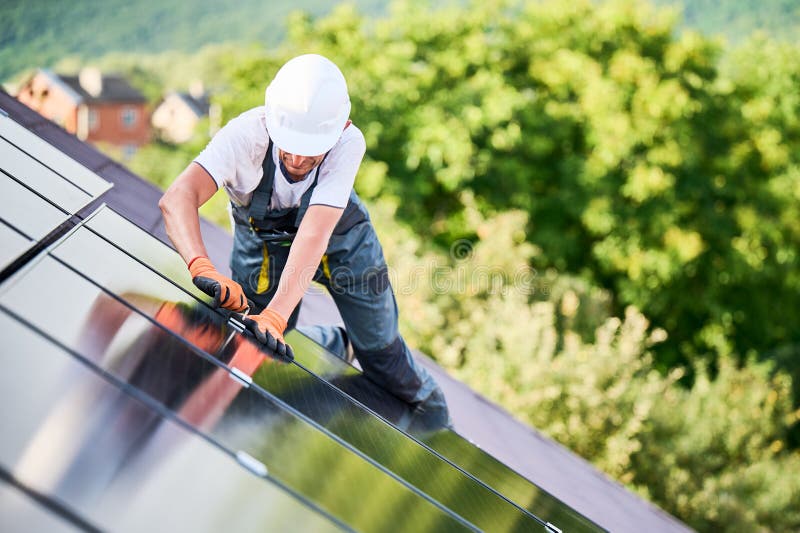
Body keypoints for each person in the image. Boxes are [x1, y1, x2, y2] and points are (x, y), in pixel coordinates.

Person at [159, 53, 449, 428]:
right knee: (250, 338)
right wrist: (200, 265)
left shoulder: (348, 142)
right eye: (288, 144)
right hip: (263, 247)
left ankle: (434, 413)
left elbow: (314, 234)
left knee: (383, 360)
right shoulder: (245, 135)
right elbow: (177, 198)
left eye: (310, 148)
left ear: (340, 126)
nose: (296, 159)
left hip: (344, 244)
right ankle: (330, 340)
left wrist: (276, 316)